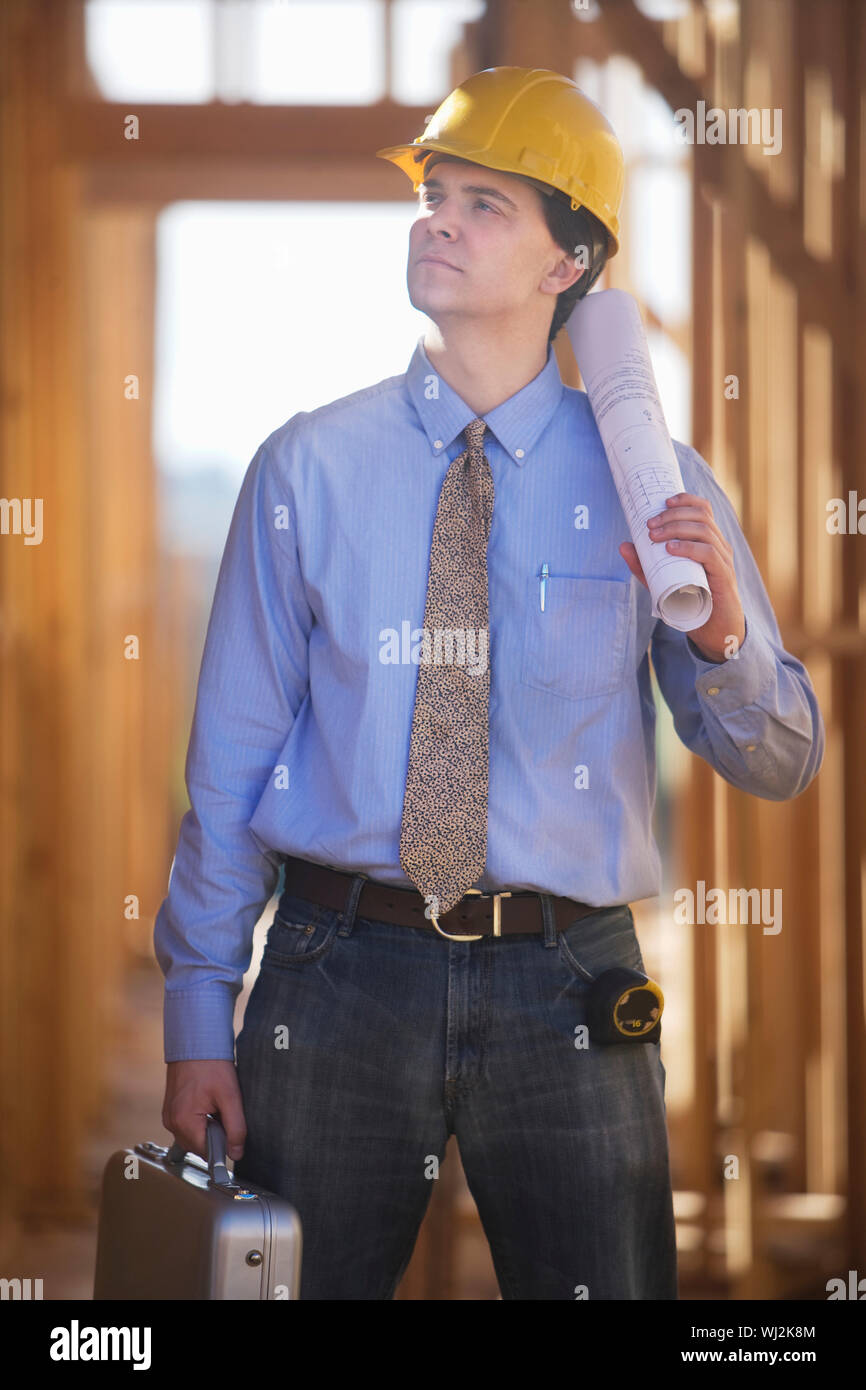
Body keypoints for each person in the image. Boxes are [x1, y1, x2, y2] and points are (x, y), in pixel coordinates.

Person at [155, 67, 825, 1300]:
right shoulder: (306, 467)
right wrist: (200, 1012)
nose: (436, 221)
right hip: (332, 974)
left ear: (567, 264)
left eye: (483, 206)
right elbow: (230, 769)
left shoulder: (648, 480)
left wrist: (725, 637)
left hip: (567, 983)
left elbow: (778, 761)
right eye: (433, 196)